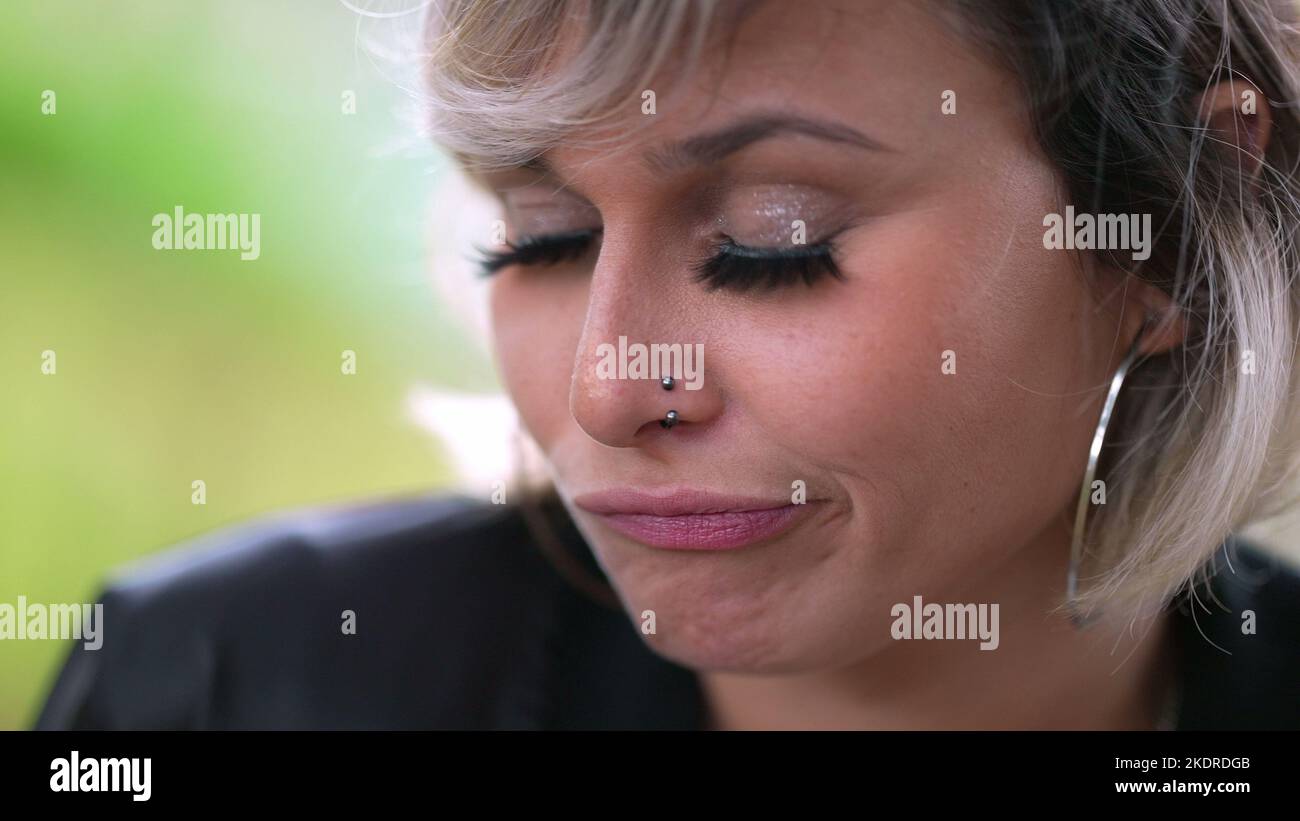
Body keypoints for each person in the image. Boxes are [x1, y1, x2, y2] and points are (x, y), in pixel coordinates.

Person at [37, 0, 1300, 730]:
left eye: (773, 242)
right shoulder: (224, 683)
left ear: (1173, 229)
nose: (602, 387)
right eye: (544, 239)